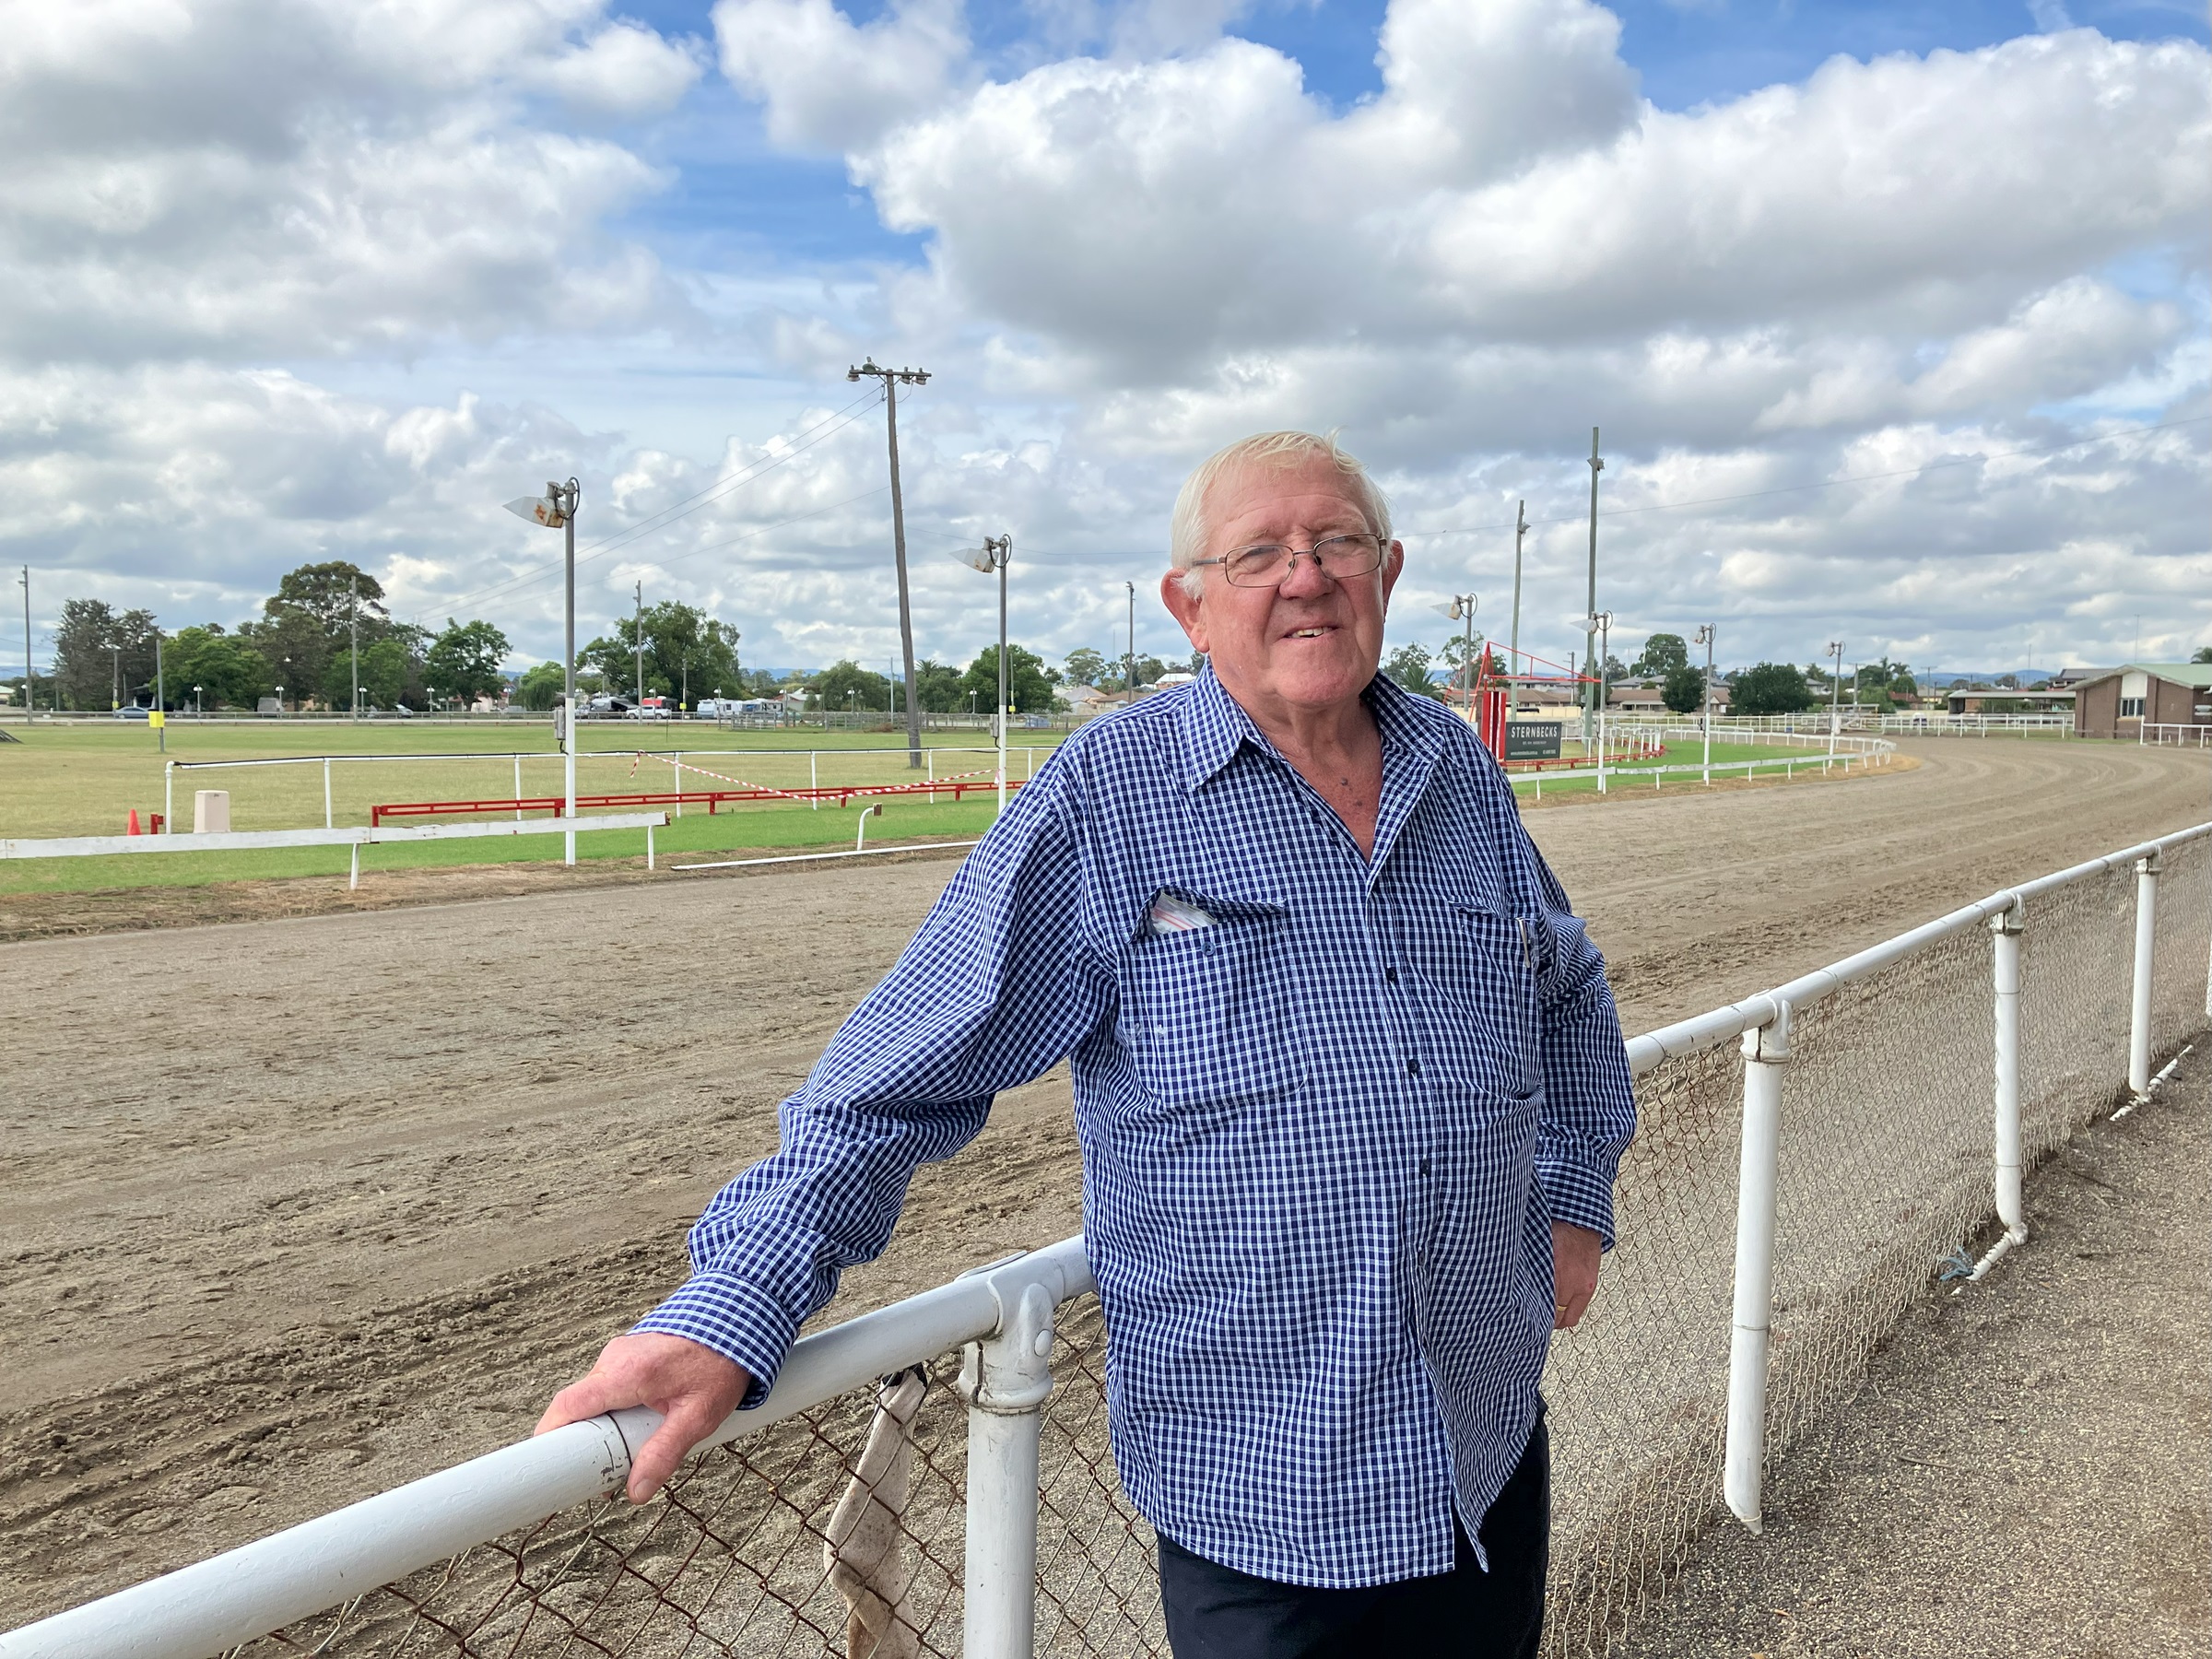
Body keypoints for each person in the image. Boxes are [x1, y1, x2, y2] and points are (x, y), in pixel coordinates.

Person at [538, 430, 1638, 1656]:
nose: (1304, 577)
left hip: (1484, 1458)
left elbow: (1568, 988)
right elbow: (898, 1075)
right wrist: (733, 1303)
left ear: (1385, 573)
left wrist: (1572, 1192)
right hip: (1269, 1497)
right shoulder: (1108, 797)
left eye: (1335, 544)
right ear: (1191, 606)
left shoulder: (1456, 772)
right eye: (1259, 553)